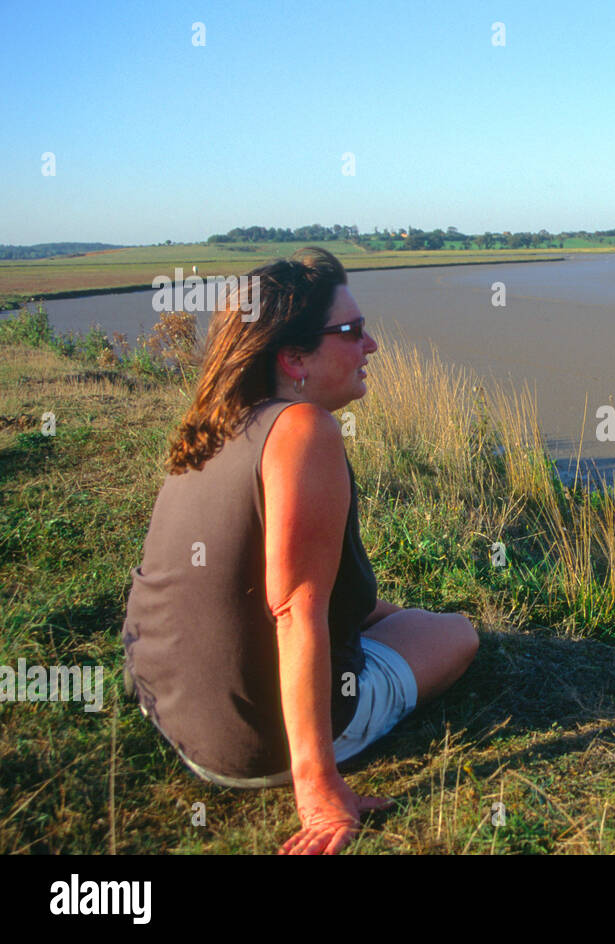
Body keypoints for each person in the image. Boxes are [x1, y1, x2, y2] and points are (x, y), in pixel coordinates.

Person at [121, 246, 478, 855]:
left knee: (400, 621)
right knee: (457, 633)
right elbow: (295, 610)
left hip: (171, 707)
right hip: (249, 744)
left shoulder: (220, 423)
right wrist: (317, 790)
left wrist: (386, 617)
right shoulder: (306, 431)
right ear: (293, 358)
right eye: (353, 331)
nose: (371, 346)